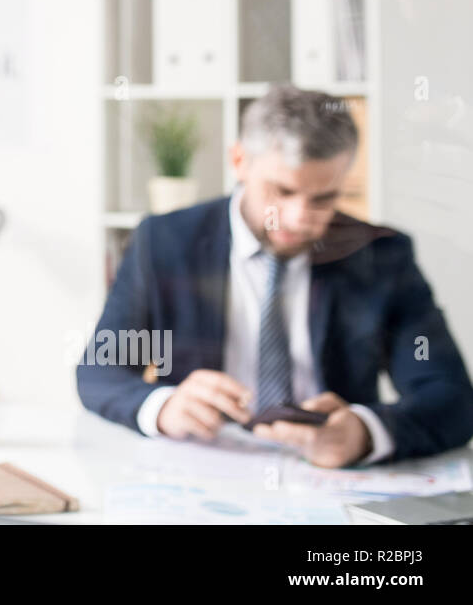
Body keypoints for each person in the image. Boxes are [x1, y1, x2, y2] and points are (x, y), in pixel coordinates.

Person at [77, 85, 473, 467]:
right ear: (239, 163)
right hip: (202, 468)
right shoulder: (162, 243)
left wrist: (366, 433)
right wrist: (163, 407)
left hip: (328, 478)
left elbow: (449, 396)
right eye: (281, 191)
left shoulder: (383, 256)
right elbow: (100, 371)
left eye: (324, 198)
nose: (301, 218)